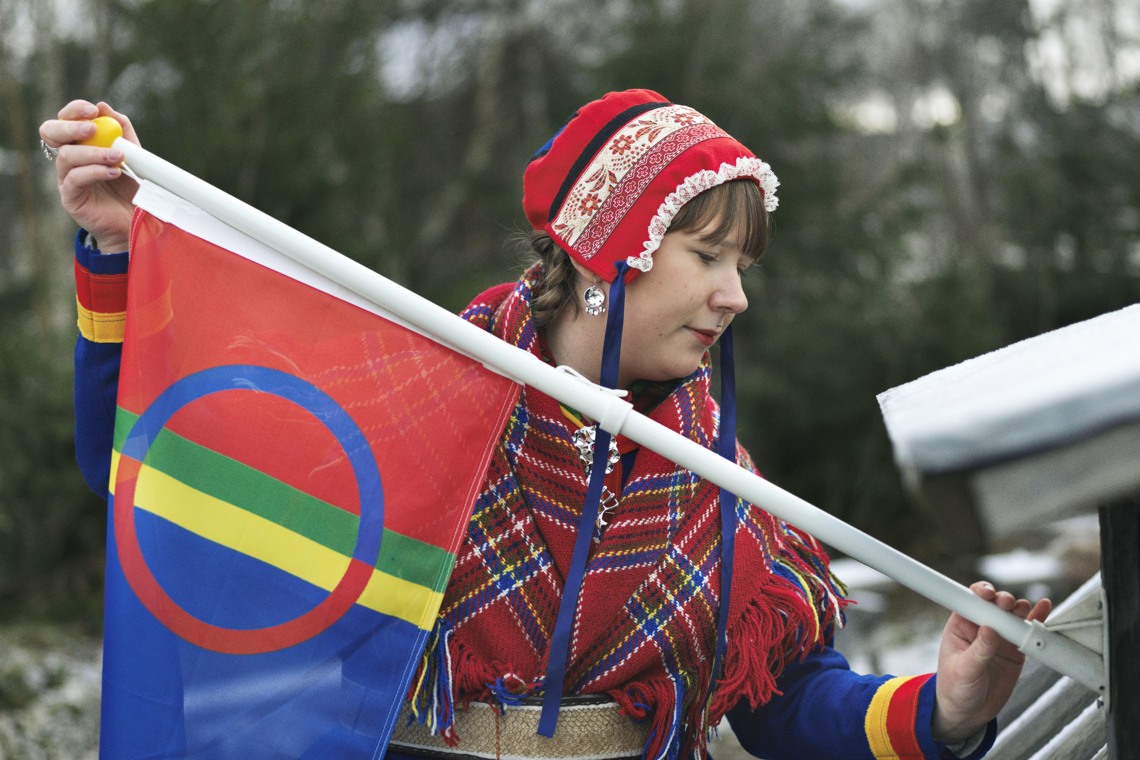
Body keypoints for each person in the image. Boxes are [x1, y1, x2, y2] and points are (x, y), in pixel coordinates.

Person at [40, 90, 1049, 760]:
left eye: (745, 265)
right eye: (708, 256)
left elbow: (787, 700)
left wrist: (946, 706)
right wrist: (120, 253)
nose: (737, 295)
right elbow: (158, 466)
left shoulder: (722, 482)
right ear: (612, 256)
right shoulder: (421, 401)